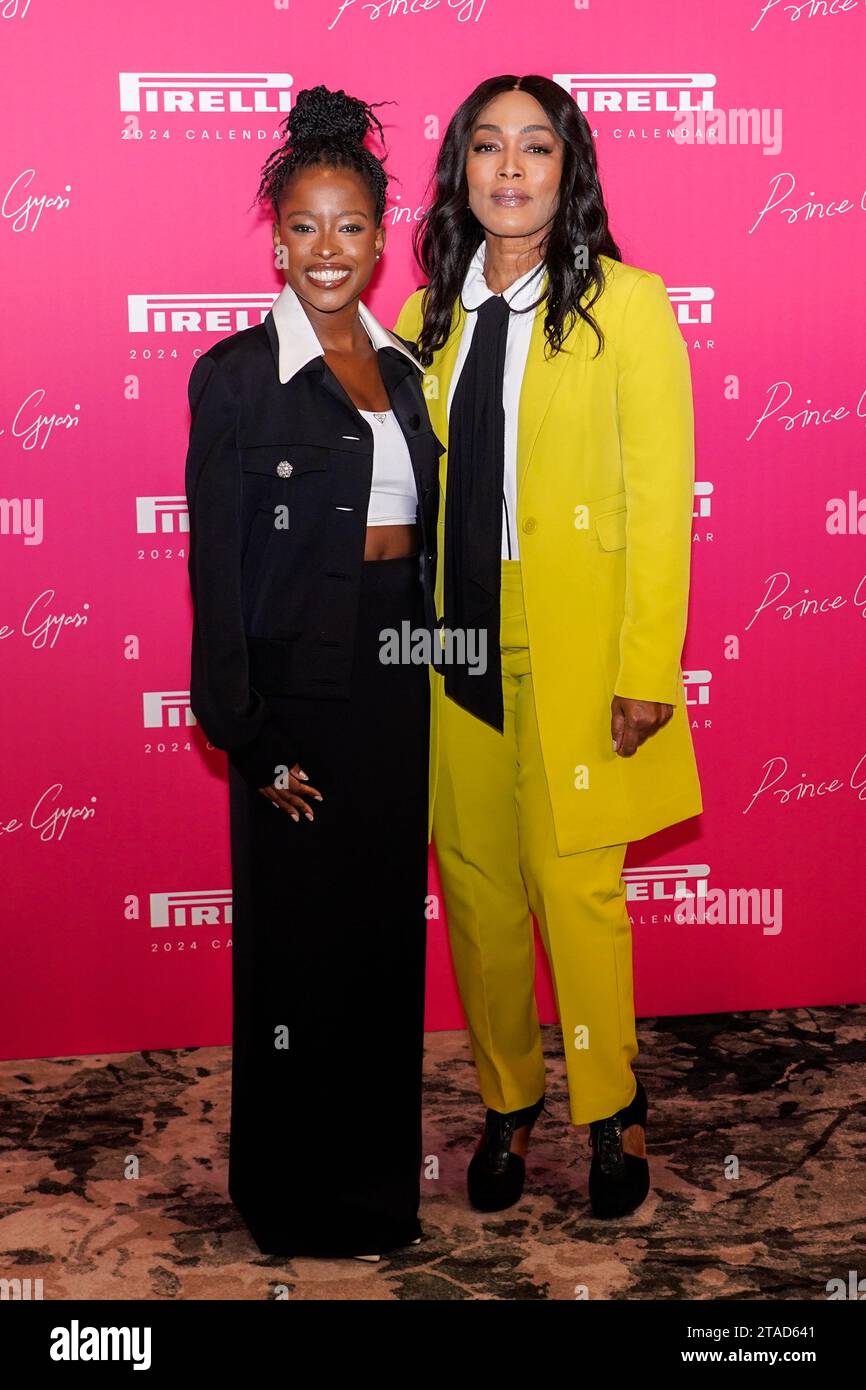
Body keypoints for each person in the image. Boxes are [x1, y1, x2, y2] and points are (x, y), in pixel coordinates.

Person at [394, 74, 702, 1220]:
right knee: (475, 894)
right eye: (486, 147)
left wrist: (644, 667)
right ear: (460, 172)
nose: (509, 169)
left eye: (534, 147)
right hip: (454, 636)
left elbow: (655, 501)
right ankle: (508, 1101)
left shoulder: (627, 304)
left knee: (576, 890)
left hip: (575, 641)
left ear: (566, 168)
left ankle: (611, 1107)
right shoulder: (431, 315)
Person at [184, 85, 442, 1258]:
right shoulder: (234, 376)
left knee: (382, 946)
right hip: (295, 693)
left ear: (379, 236)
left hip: (395, 685)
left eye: (348, 226)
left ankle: (378, 1196)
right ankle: (290, 1196)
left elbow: (433, 550)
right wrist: (248, 734)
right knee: (296, 956)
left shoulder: (408, 367)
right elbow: (217, 565)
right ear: (275, 238)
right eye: (303, 226)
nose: (326, 249)